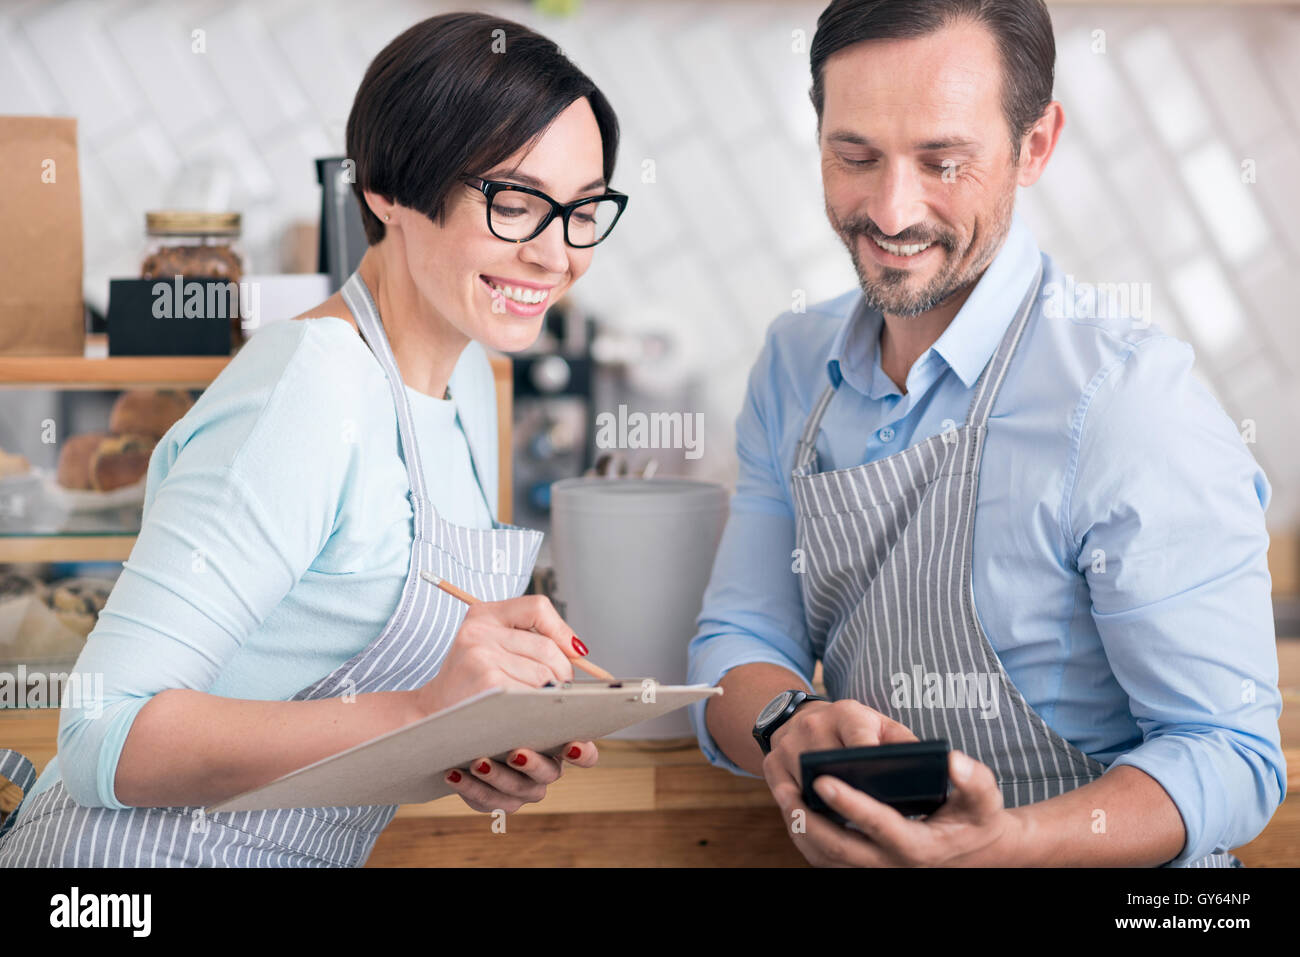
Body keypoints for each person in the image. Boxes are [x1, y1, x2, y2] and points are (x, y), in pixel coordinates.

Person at [0, 11, 627, 867]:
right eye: (516, 202)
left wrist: (471, 735)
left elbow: (355, 686)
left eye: (583, 211)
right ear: (387, 190)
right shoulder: (309, 385)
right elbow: (103, 732)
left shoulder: (469, 379)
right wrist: (418, 718)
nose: (557, 254)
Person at [687, 0, 1285, 867]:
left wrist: (1010, 843)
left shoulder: (1128, 402)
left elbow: (1229, 754)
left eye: (945, 162)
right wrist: (788, 723)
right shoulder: (793, 366)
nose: (891, 213)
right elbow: (739, 639)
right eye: (855, 156)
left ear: (1035, 145)